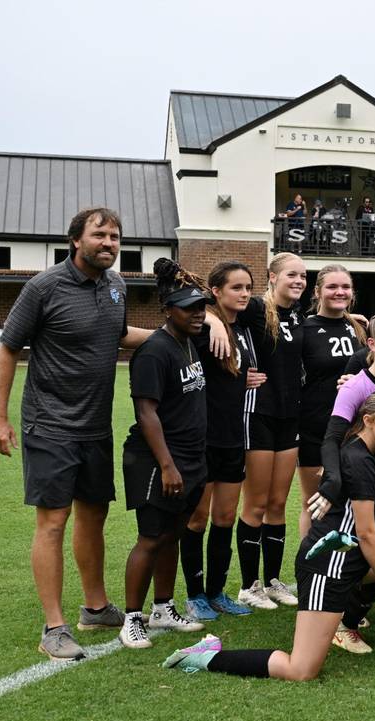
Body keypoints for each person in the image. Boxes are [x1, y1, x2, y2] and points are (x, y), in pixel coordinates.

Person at [0, 207, 154, 660]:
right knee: (53, 521)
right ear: (75, 240)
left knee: (93, 516)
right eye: (100, 235)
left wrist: (178, 330)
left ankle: (96, 607)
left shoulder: (117, 287)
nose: (109, 243)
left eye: (116, 236)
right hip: (50, 426)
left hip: (95, 427)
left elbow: (119, 335)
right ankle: (54, 627)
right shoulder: (44, 287)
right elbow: (7, 348)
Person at [162, 392, 375, 681]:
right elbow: (366, 533)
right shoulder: (359, 461)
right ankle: (204, 655)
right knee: (300, 670)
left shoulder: (364, 454)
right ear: (368, 420)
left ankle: (350, 617)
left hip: (345, 561)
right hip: (326, 569)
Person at [307, 314, 375, 652]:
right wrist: (332, 482)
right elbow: (331, 440)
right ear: (372, 344)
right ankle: (341, 618)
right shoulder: (355, 386)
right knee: (374, 557)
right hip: (362, 482)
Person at [118, 259, 212, 649]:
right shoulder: (155, 351)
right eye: (189, 308)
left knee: (173, 534)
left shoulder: (187, 341)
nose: (199, 314)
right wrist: (168, 466)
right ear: (167, 310)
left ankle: (162, 607)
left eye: (202, 307)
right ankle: (131, 619)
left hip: (190, 458)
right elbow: (146, 413)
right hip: (158, 460)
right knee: (151, 537)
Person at [181, 262, 259, 622]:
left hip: (233, 437)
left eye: (247, 288)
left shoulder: (243, 330)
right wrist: (210, 318)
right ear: (216, 291)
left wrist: (247, 379)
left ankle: (217, 591)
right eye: (236, 288)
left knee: (225, 517)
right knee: (197, 518)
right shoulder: (201, 329)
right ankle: (195, 595)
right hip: (202, 439)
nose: (244, 294)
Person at [236, 252, 307, 610]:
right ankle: (249, 585)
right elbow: (216, 311)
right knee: (257, 503)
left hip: (289, 418)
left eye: (303, 276)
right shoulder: (254, 310)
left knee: (278, 503)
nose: (298, 281)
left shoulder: (299, 317)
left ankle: (274, 580)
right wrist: (240, 370)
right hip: (259, 414)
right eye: (291, 275)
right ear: (273, 276)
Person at [297, 265, 366, 543]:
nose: (340, 292)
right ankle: (308, 571)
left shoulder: (360, 328)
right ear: (317, 292)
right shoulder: (304, 328)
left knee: (352, 503)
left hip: (355, 428)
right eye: (332, 287)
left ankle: (347, 575)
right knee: (313, 502)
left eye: (345, 287)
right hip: (316, 427)